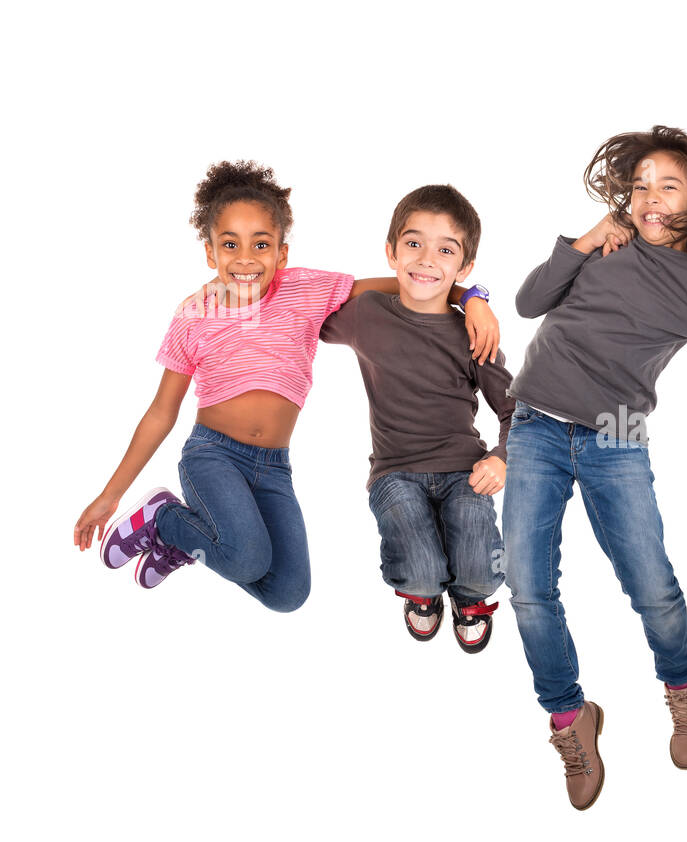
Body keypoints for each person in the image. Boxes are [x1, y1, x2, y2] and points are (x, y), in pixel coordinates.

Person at [73, 161, 498, 613]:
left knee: (287, 593)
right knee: (245, 559)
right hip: (212, 455)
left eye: (261, 244)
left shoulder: (305, 290)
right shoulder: (194, 315)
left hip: (273, 466)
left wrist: (473, 298)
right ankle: (166, 520)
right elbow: (161, 412)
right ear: (210, 253)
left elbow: (415, 284)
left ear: (282, 253)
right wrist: (111, 493)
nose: (245, 258)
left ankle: (187, 539)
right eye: (229, 244)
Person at [505, 125, 687, 809]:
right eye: (640, 185)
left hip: (615, 439)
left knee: (650, 581)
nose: (649, 197)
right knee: (527, 587)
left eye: (668, 186)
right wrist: (584, 240)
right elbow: (529, 302)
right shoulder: (604, 246)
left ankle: (683, 684)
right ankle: (568, 715)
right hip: (535, 427)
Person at [321, 185, 512, 652]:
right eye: (413, 244)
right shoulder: (366, 315)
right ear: (390, 252)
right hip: (394, 472)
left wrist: (502, 457)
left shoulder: (473, 333)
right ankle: (423, 595)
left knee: (481, 574)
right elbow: (311, 308)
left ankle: (469, 598)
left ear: (464, 265)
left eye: (445, 251)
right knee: (423, 573)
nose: (427, 259)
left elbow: (515, 411)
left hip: (462, 470)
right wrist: (471, 294)